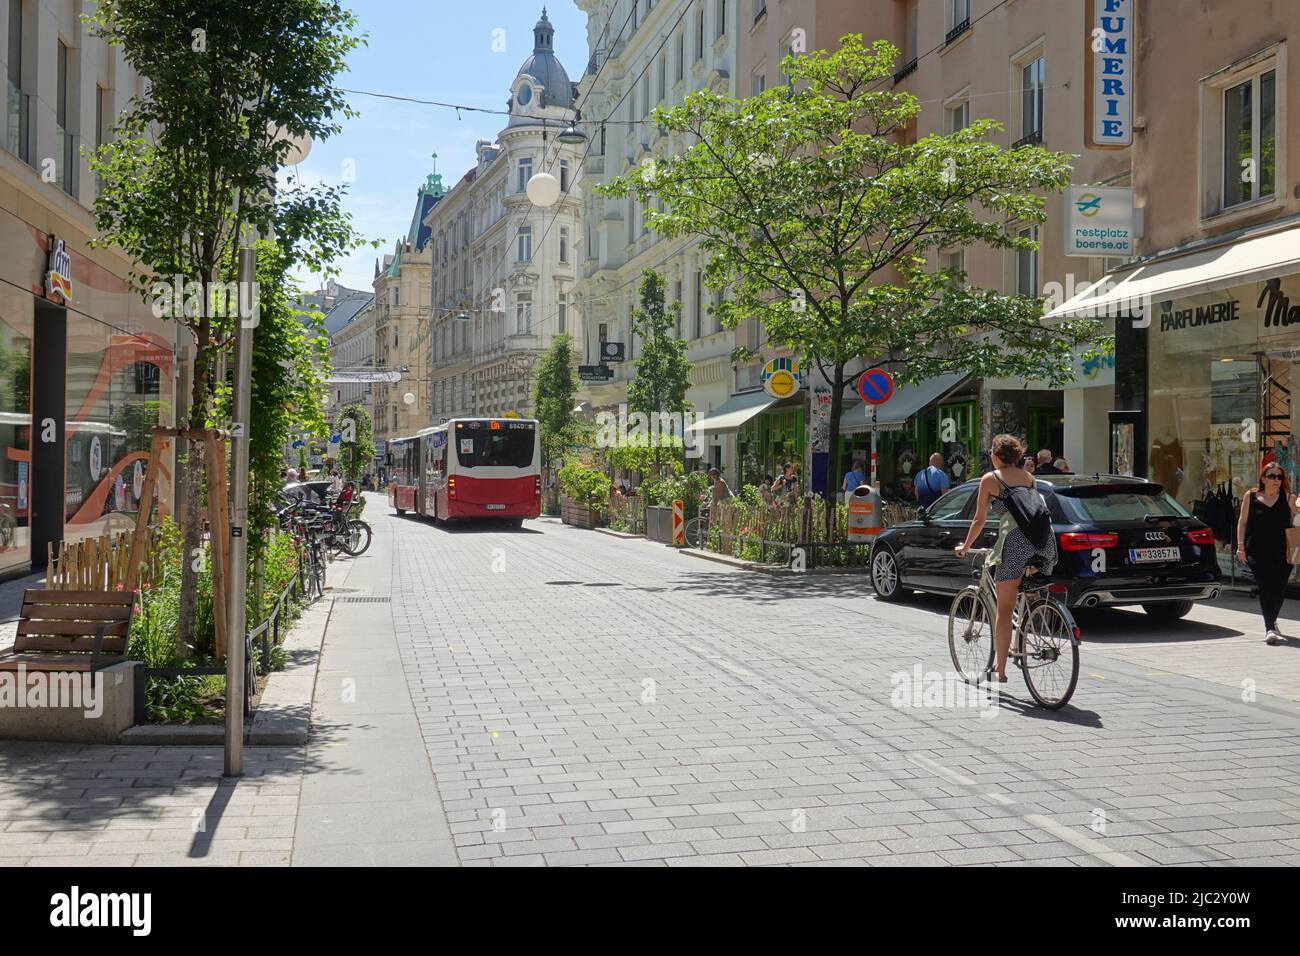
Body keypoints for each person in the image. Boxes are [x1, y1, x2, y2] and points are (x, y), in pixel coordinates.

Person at [955, 434, 1058, 683]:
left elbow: (979, 520)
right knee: (1022, 587)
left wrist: (966, 546)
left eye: (991, 451)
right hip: (1046, 541)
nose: (990, 455)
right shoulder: (1029, 477)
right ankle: (1031, 613)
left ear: (996, 455)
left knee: (1004, 608)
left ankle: (1000, 670)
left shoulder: (991, 479)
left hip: (1014, 542)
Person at [1236, 462, 1299, 644]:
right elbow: (1243, 522)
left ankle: (1272, 619)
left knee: (1279, 588)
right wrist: (1241, 546)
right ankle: (1269, 628)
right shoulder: (1251, 495)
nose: (1276, 480)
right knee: (1266, 586)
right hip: (1257, 549)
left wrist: (1297, 510)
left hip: (1283, 551)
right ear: (1263, 478)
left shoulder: (1288, 497)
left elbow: (1296, 523)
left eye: (1279, 477)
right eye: (1272, 476)